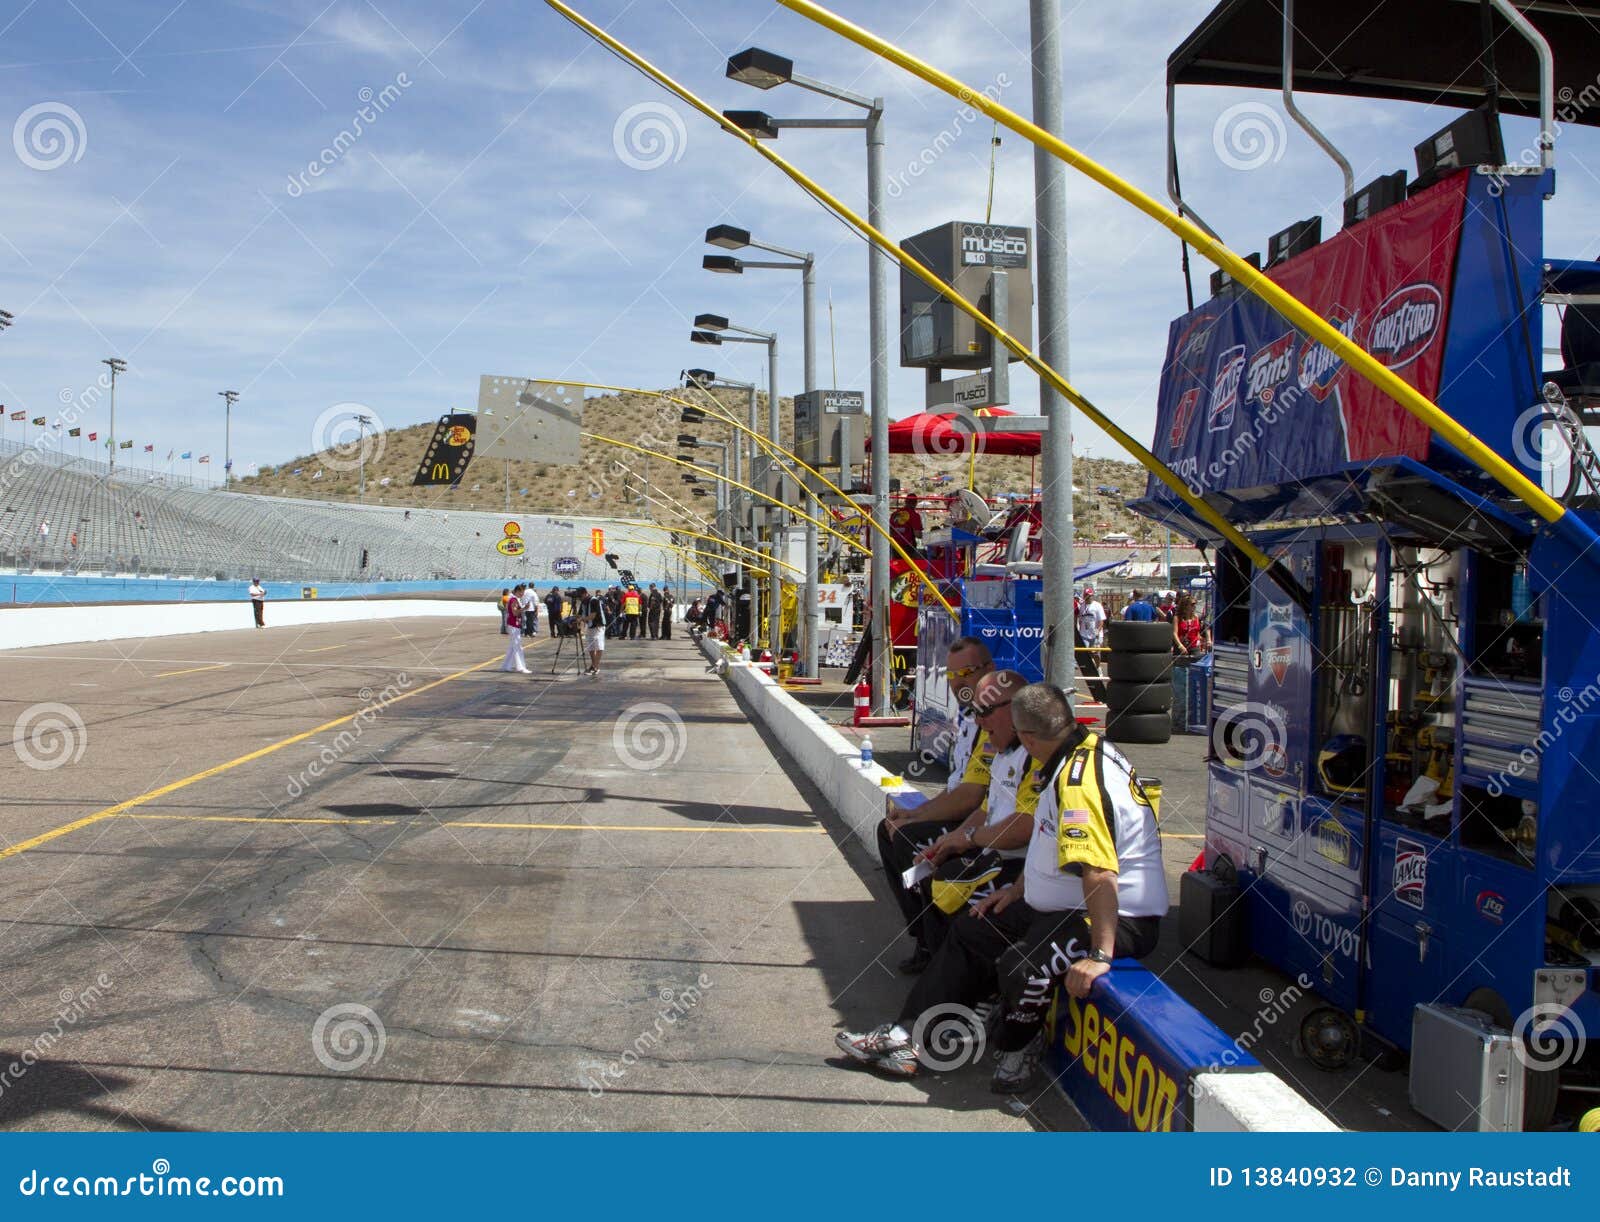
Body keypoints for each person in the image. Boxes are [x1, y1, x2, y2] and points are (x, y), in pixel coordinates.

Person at [836, 682, 1168, 1093]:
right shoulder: (1072, 755)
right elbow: (1048, 840)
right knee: (973, 930)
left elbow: (1098, 871)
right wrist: (1016, 893)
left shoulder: (1079, 781)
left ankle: (1020, 1046)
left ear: (1027, 736)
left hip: (1117, 917)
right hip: (1068, 903)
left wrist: (1101, 953)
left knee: (1021, 966)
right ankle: (910, 1036)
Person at [877, 637, 995, 974]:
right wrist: (913, 813)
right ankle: (923, 935)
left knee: (907, 839)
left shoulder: (996, 717)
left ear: (990, 670)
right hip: (972, 816)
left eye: (967, 673)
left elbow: (971, 797)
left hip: (990, 827)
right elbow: (956, 788)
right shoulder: (970, 719)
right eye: (951, 675)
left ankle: (937, 943)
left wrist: (916, 818)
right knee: (890, 830)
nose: (958, 683)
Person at [915, 670, 1038, 954]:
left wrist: (968, 838)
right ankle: (931, 956)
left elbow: (1023, 828)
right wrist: (953, 839)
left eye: (985, 711)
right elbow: (985, 809)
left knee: (951, 894)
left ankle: (954, 975)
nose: (980, 720)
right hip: (991, 850)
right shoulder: (1002, 751)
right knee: (927, 868)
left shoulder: (1035, 756)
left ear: (1015, 708)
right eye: (974, 711)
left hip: (1015, 861)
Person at [1074, 585, 1107, 702]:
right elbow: (1078, 617)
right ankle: (1089, 672)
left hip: (1095, 633)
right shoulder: (1082, 606)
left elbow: (1101, 620)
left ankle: (1098, 668)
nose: (1089, 598)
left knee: (1096, 654)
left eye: (1090, 596)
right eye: (1087, 596)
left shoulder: (1097, 606)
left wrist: (1098, 630)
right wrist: (1077, 628)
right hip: (1084, 633)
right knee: (1086, 653)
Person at [500, 583, 530, 673]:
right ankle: (520, 667)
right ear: (517, 591)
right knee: (517, 646)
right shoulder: (514, 600)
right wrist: (524, 608)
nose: (522, 594)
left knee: (513, 647)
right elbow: (515, 613)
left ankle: (506, 666)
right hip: (513, 625)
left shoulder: (515, 599)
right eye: (521, 592)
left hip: (514, 624)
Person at [578, 586, 606, 678]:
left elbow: (593, 615)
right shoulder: (583, 602)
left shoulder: (594, 600)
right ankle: (594, 665)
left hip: (598, 626)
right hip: (590, 626)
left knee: (598, 646)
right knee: (590, 647)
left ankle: (595, 667)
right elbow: (579, 614)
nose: (580, 598)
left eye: (581, 596)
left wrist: (582, 619)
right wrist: (576, 620)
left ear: (585, 593)